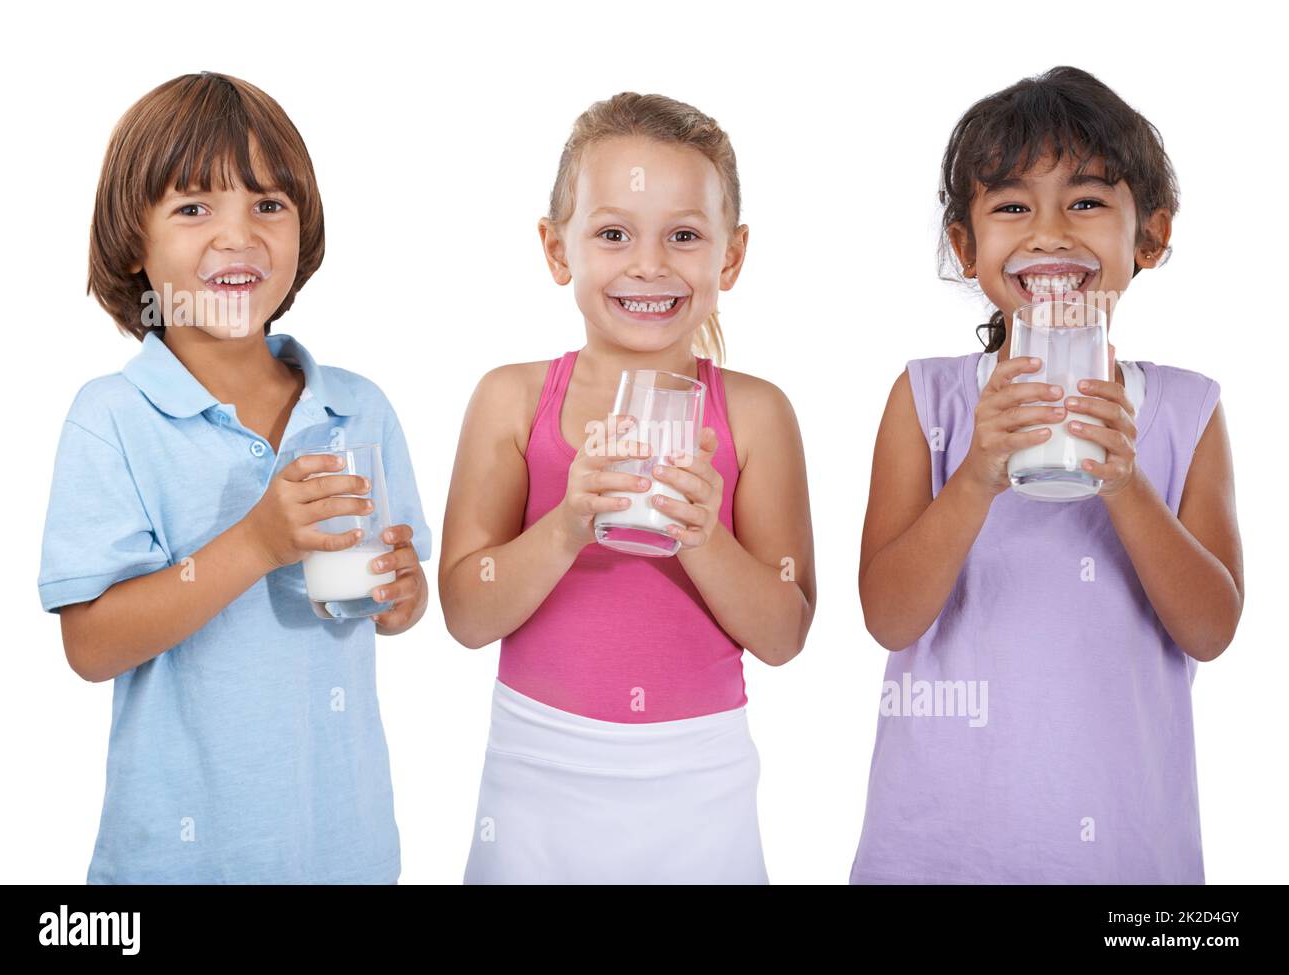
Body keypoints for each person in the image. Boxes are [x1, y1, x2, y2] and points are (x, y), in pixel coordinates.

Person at [850, 66, 1242, 884]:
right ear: (967, 246)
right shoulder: (929, 399)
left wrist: (1126, 483)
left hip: (1129, 859)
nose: (1050, 232)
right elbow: (889, 617)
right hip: (940, 849)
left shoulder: (1185, 410)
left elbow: (1211, 629)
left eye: (1089, 201)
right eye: (1012, 206)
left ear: (1151, 236)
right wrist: (975, 478)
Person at [37, 72, 431, 883]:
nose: (238, 236)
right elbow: (90, 644)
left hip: (346, 851)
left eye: (269, 204)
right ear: (134, 241)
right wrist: (255, 543)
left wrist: (402, 593)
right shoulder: (113, 418)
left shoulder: (358, 408)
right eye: (193, 207)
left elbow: (391, 606)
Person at [441, 92, 816, 883]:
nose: (650, 264)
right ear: (556, 249)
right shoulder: (511, 400)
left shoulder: (756, 414)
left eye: (684, 235)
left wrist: (704, 535)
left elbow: (784, 635)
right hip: (536, 765)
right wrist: (568, 524)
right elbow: (468, 614)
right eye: (613, 234)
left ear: (732, 257)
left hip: (698, 776)